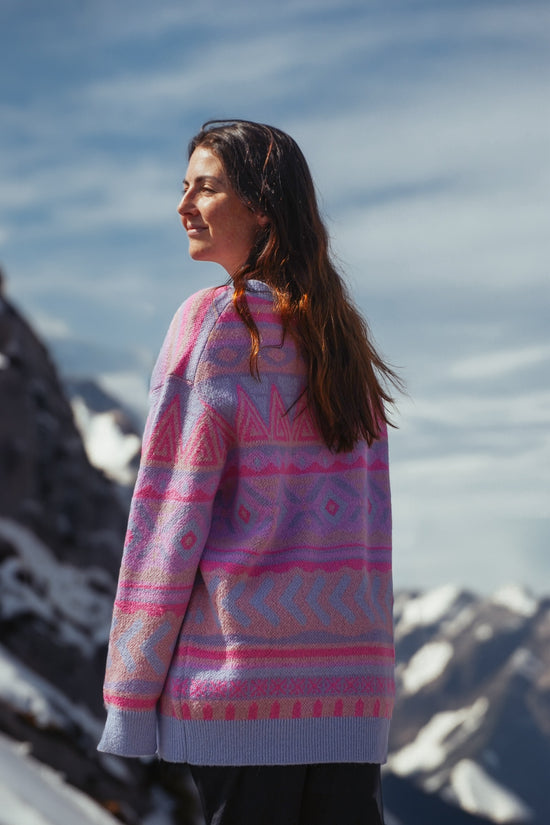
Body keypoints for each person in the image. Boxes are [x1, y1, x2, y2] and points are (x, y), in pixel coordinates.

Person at [98, 119, 401, 825]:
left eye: (205, 188)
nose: (183, 205)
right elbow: (371, 528)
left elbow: (168, 520)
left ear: (262, 206)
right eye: (184, 187)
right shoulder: (344, 341)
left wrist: (130, 696)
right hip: (353, 693)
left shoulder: (214, 325)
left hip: (242, 688)